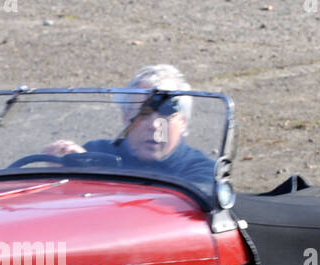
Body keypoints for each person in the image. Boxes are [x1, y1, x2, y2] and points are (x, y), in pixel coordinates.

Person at [41, 65, 215, 184]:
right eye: (143, 114)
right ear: (126, 119)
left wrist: (96, 171)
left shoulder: (200, 172)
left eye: (165, 115)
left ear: (183, 123)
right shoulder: (96, 152)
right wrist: (61, 171)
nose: (154, 125)